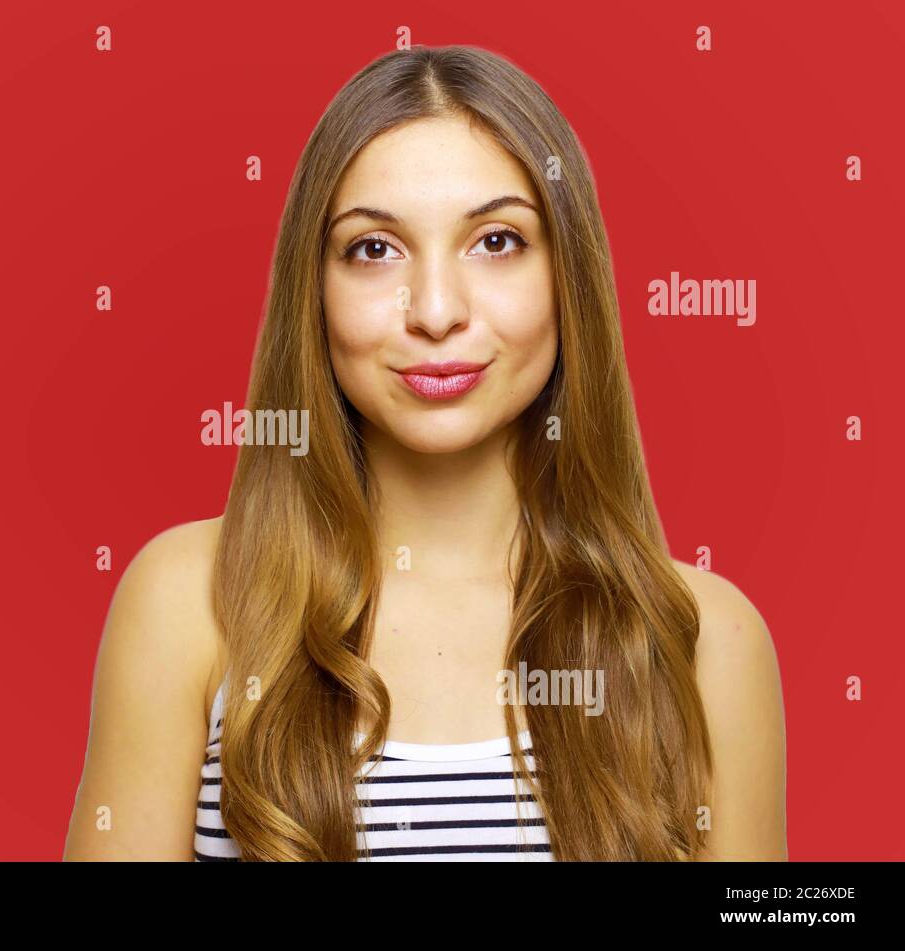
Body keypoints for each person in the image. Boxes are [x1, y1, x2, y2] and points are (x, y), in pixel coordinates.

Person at [64, 44, 786, 862]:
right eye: (375, 249)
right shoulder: (189, 602)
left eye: (497, 240)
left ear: (568, 277)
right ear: (317, 288)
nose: (436, 311)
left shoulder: (705, 640)